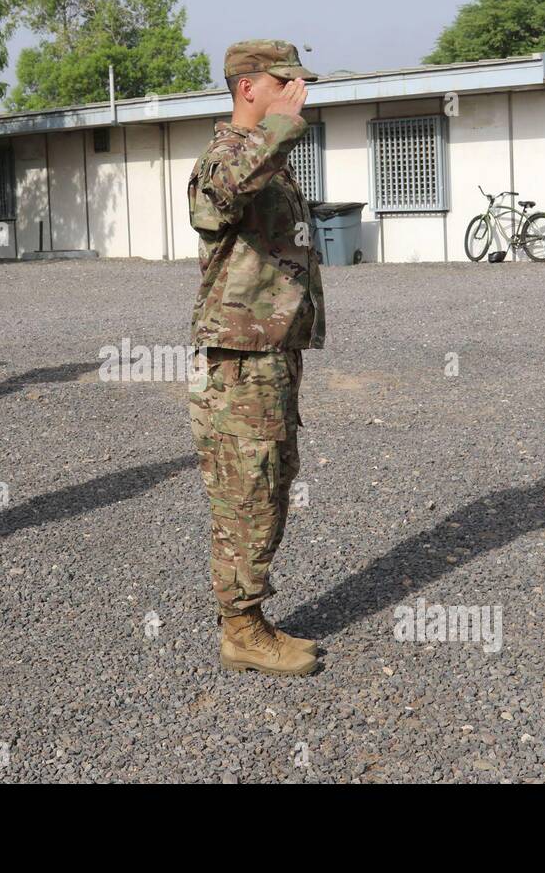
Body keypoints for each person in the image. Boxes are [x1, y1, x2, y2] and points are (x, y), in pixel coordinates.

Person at [186, 40, 325, 676]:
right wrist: (281, 130)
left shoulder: (270, 154)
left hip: (272, 351)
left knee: (271, 482)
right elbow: (212, 204)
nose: (298, 92)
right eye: (285, 81)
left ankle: (252, 616)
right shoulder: (225, 155)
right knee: (245, 489)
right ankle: (239, 627)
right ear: (249, 87)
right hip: (239, 357)